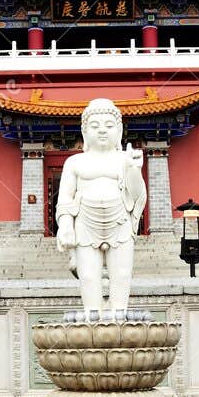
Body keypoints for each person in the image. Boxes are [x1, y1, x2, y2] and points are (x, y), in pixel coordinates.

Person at [55, 98, 146, 316]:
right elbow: (65, 197)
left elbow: (136, 194)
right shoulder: (75, 162)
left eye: (109, 125)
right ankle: (91, 316)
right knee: (88, 274)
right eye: (95, 126)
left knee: (122, 273)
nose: (102, 131)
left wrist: (134, 170)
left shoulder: (126, 159)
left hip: (120, 222)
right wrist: (66, 225)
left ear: (120, 130)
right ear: (85, 132)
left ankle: (119, 315)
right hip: (85, 223)